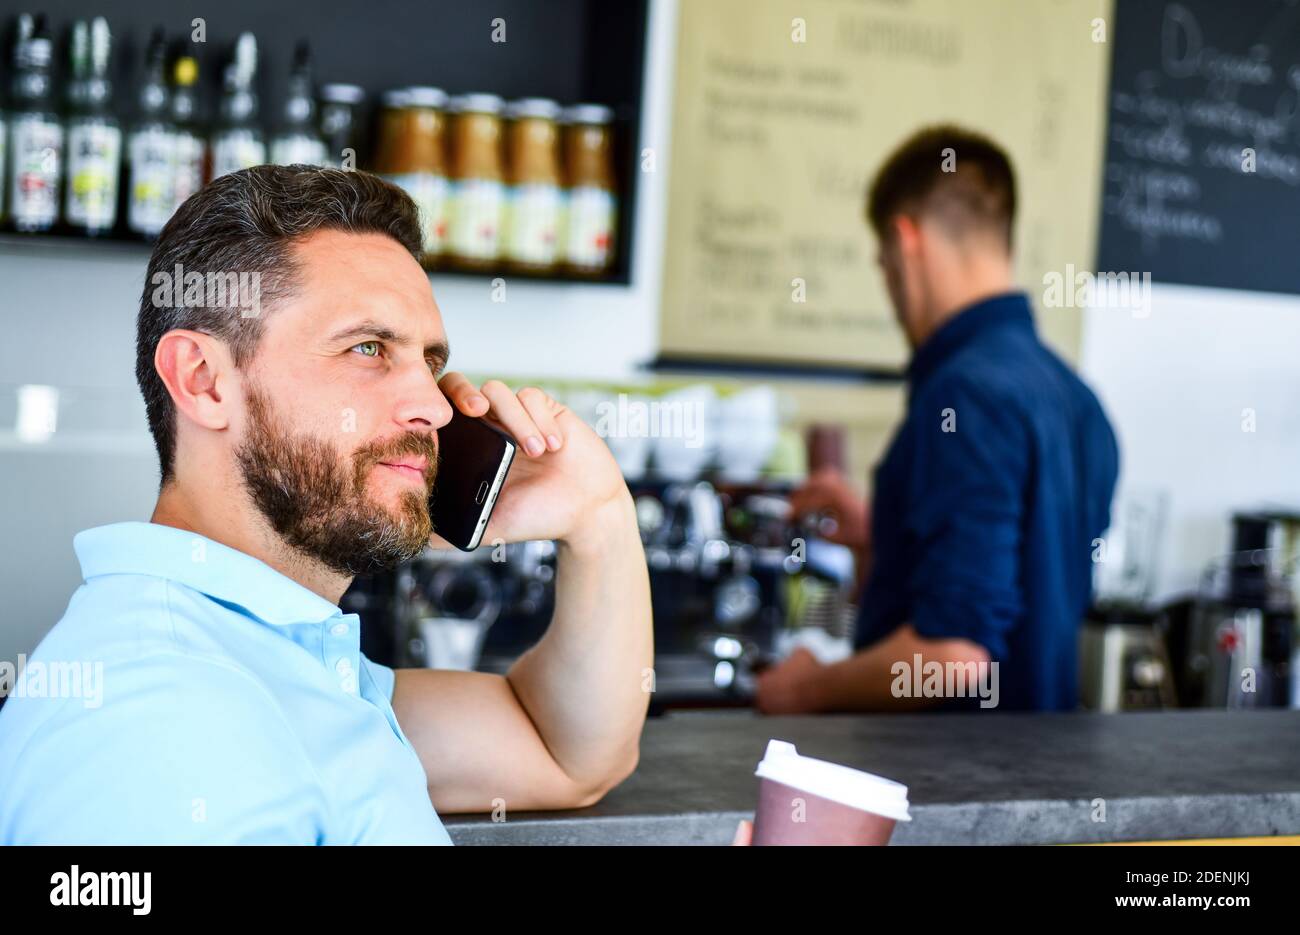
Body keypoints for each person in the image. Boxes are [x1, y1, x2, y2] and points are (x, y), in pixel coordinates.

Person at [0, 166, 652, 844]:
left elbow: (564, 750)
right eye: (368, 348)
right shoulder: (158, 716)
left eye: (429, 362)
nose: (433, 406)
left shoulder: (277, 656)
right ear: (203, 381)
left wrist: (599, 516)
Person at [756, 126, 1118, 714]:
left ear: (906, 243)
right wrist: (882, 537)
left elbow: (952, 661)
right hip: (1046, 781)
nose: (892, 291)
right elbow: (1023, 595)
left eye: (884, 267)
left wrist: (801, 690)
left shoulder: (964, 398)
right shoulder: (1077, 398)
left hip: (959, 792)